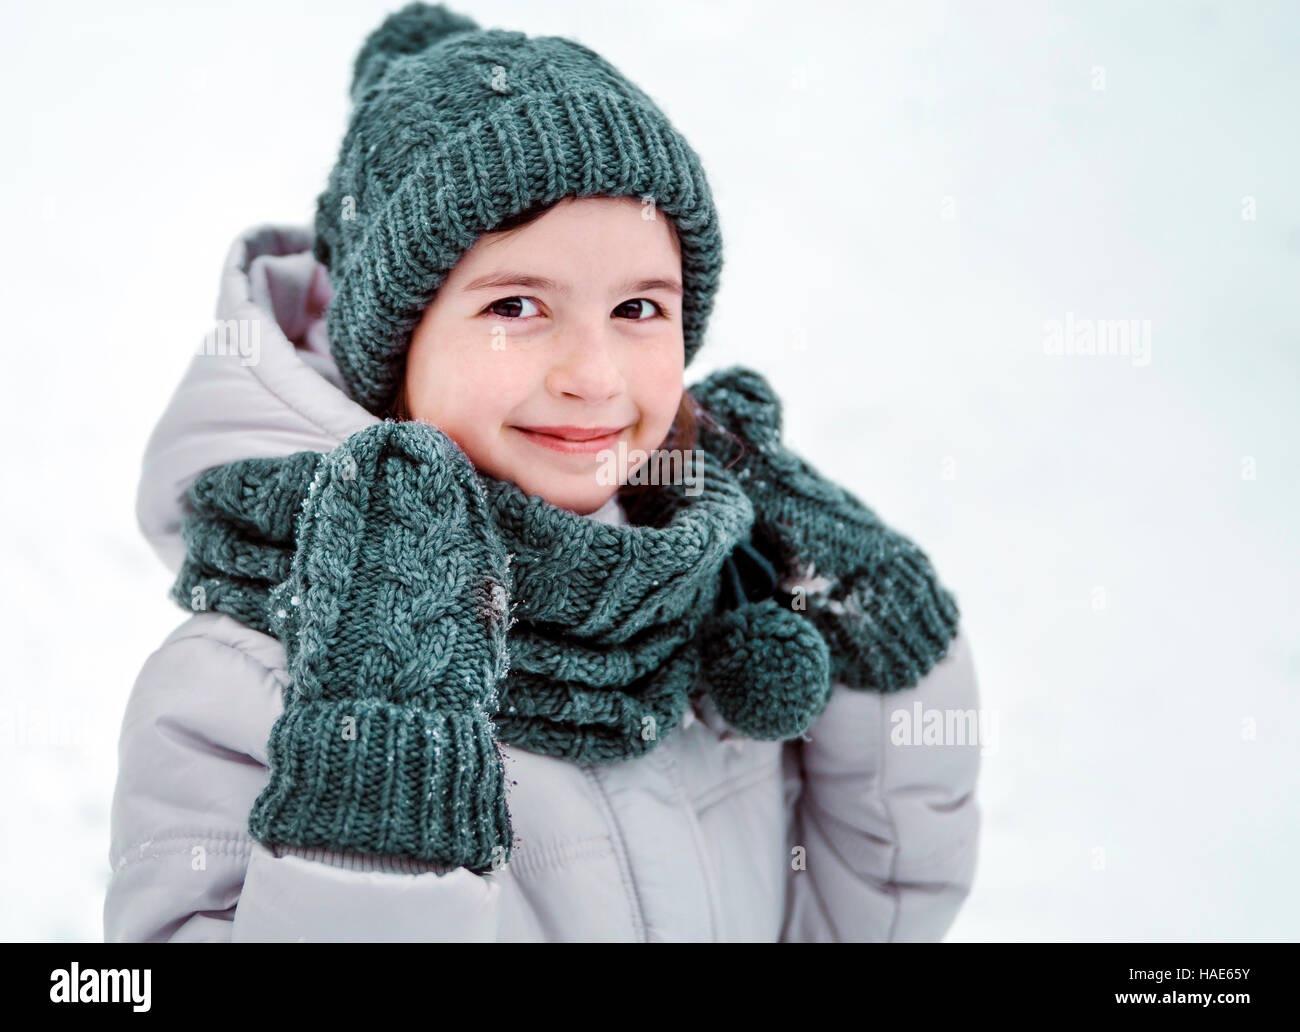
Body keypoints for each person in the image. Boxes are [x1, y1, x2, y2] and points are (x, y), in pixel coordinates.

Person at [105, 2, 982, 942]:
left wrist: (882, 643)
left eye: (640, 308)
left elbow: (866, 920)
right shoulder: (242, 677)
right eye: (518, 304)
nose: (595, 376)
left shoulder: (716, 606)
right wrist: (380, 783)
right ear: (392, 346)